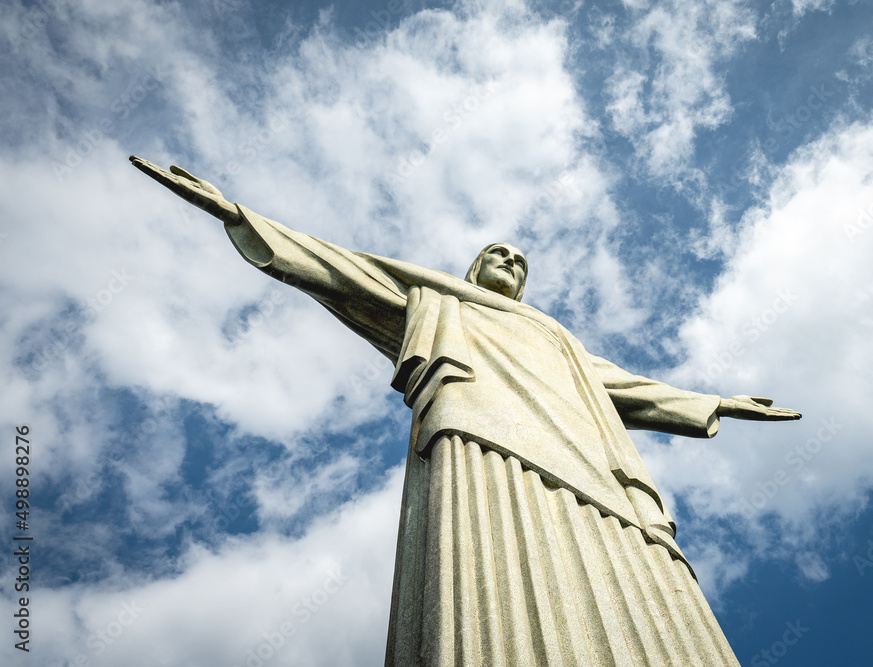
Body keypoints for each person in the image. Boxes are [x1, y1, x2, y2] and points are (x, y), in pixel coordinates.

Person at [131, 156, 801, 666]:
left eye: (519, 260)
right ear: (474, 269)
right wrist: (236, 214)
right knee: (489, 572)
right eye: (496, 253)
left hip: (593, 465)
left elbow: (626, 387)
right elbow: (344, 271)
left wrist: (716, 402)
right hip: (479, 433)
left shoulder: (556, 337)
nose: (509, 260)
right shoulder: (438, 297)